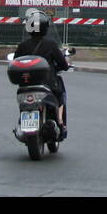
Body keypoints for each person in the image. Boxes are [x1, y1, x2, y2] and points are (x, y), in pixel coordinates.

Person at [13, 9, 72, 137]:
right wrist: (65, 66)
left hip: (26, 84)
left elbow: (15, 61)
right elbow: (63, 64)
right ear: (46, 28)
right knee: (61, 96)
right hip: (48, 84)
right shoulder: (51, 45)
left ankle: (23, 121)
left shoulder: (22, 46)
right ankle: (60, 122)